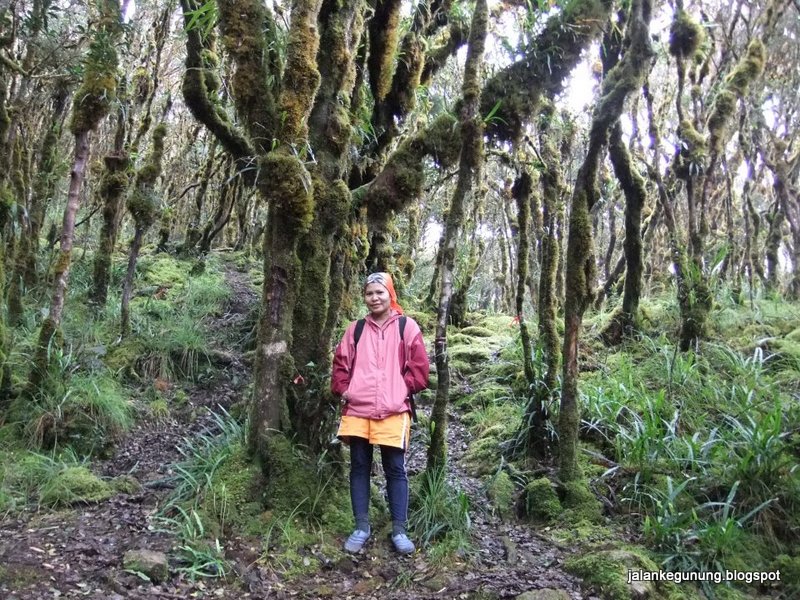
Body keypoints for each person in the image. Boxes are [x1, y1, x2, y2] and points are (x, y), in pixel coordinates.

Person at [331, 272, 430, 554]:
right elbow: (340, 363)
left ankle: (399, 529)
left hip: (394, 410)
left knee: (395, 469)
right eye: (369, 293)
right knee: (359, 467)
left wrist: (402, 389)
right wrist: (344, 390)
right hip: (358, 410)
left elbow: (421, 369)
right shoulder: (356, 329)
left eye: (379, 292)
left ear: (390, 294)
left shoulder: (406, 327)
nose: (374, 298)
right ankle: (361, 526)